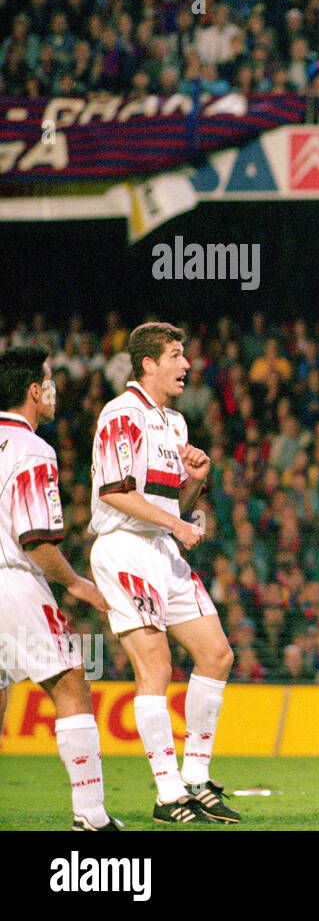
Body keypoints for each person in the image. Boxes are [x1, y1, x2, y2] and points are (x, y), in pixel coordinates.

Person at [88, 323, 235, 824]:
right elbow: (113, 490)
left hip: (160, 548)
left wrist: (195, 482)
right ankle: (168, 793)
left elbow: (174, 500)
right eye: (175, 356)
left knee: (216, 654)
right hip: (126, 549)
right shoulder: (120, 414)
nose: (186, 365)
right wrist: (177, 523)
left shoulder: (174, 422)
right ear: (148, 363)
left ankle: (196, 778)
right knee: (155, 667)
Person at [0, 347, 121, 830]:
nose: (54, 389)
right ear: (34, 390)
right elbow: (36, 541)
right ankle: (90, 817)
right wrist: (77, 584)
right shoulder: (32, 449)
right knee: (70, 680)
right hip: (14, 583)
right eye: (48, 381)